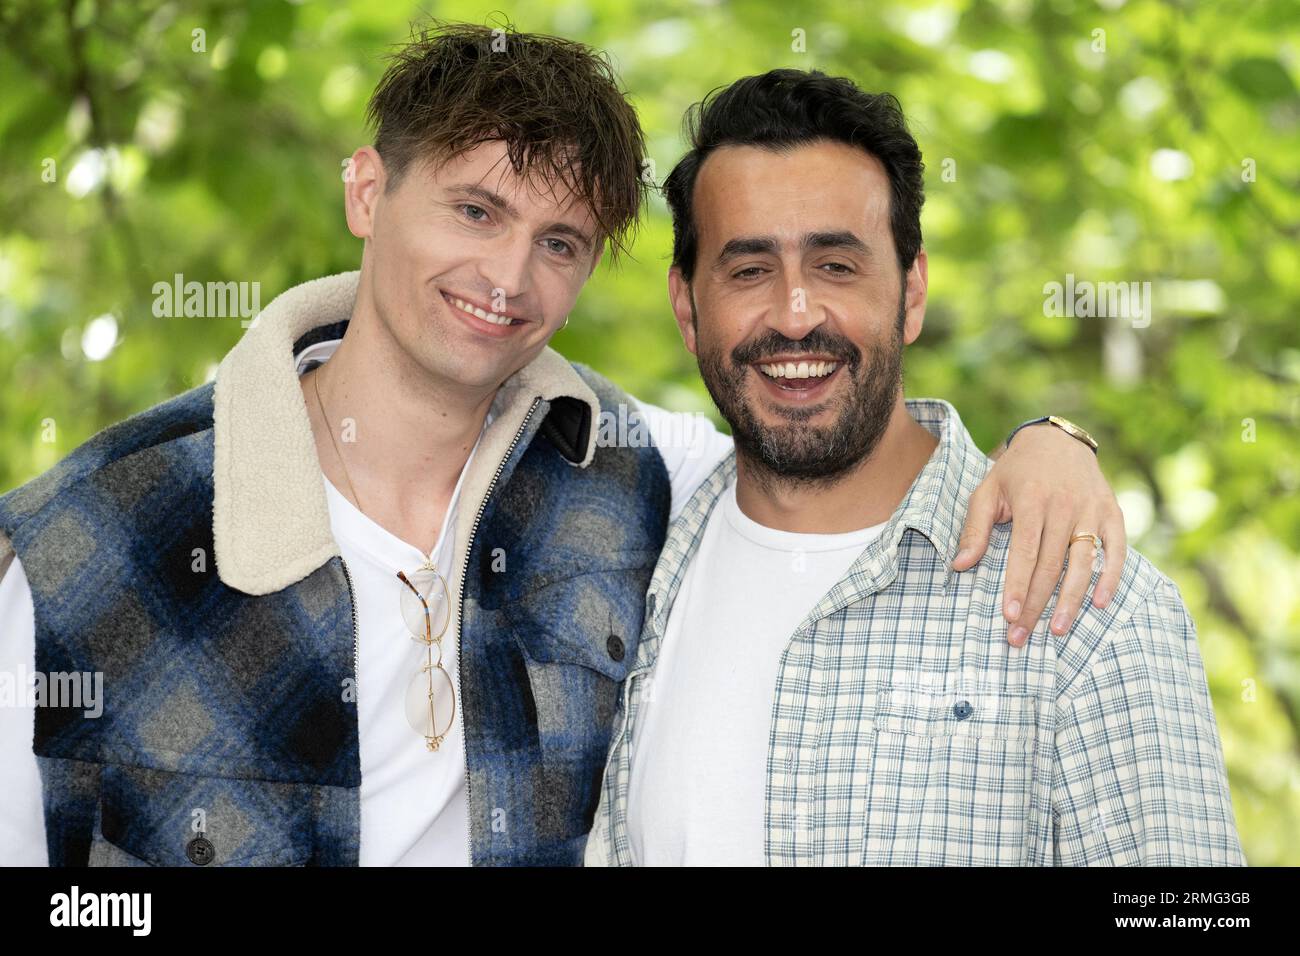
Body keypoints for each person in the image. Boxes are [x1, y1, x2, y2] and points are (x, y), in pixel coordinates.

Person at [0, 26, 1123, 868]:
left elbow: (828, 453)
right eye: (475, 211)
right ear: (367, 188)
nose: (506, 279)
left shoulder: (636, 472)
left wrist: (1047, 440)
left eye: (559, 242)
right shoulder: (87, 537)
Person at [585, 69, 1244, 866]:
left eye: (837, 266)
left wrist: (1057, 436)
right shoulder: (635, 546)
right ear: (688, 309)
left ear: (914, 291)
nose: (796, 315)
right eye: (750, 270)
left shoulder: (1086, 605)